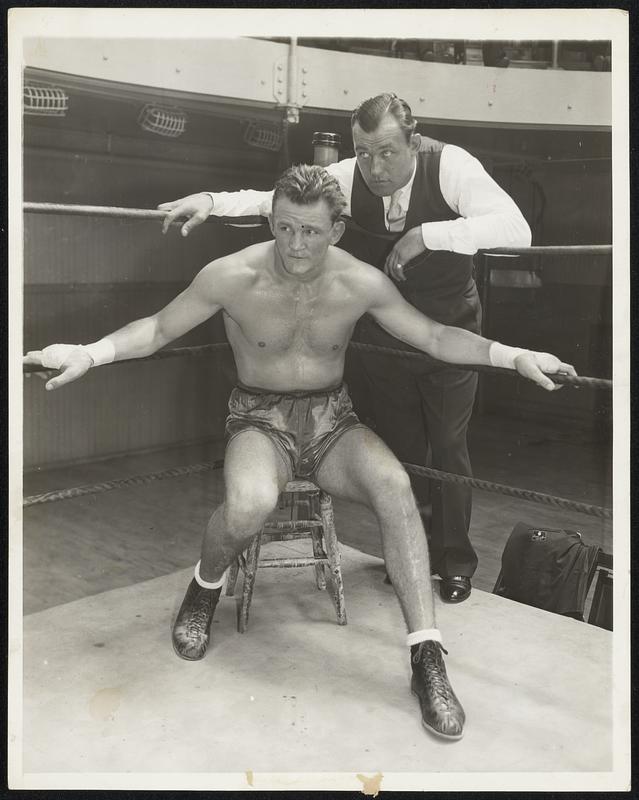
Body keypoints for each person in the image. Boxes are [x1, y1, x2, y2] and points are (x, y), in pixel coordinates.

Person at [24, 165, 574, 741]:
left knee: (394, 486)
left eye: (311, 232)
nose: (295, 245)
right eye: (284, 228)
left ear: (337, 229)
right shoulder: (231, 275)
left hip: (333, 420)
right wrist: (90, 351)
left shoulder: (360, 281)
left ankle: (427, 659)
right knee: (250, 504)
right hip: (260, 418)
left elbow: (435, 336)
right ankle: (204, 587)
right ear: (270, 219)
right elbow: (159, 328)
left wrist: (514, 355)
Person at [157, 93, 533, 605]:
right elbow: (277, 202)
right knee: (400, 446)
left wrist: (429, 233)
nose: (374, 168)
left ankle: (455, 562)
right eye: (363, 152)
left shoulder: (451, 167)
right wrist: (210, 200)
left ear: (414, 142)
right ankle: (410, 554)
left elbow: (517, 228)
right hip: (384, 332)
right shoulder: (353, 176)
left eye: (387, 153)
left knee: (447, 444)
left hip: (448, 327)